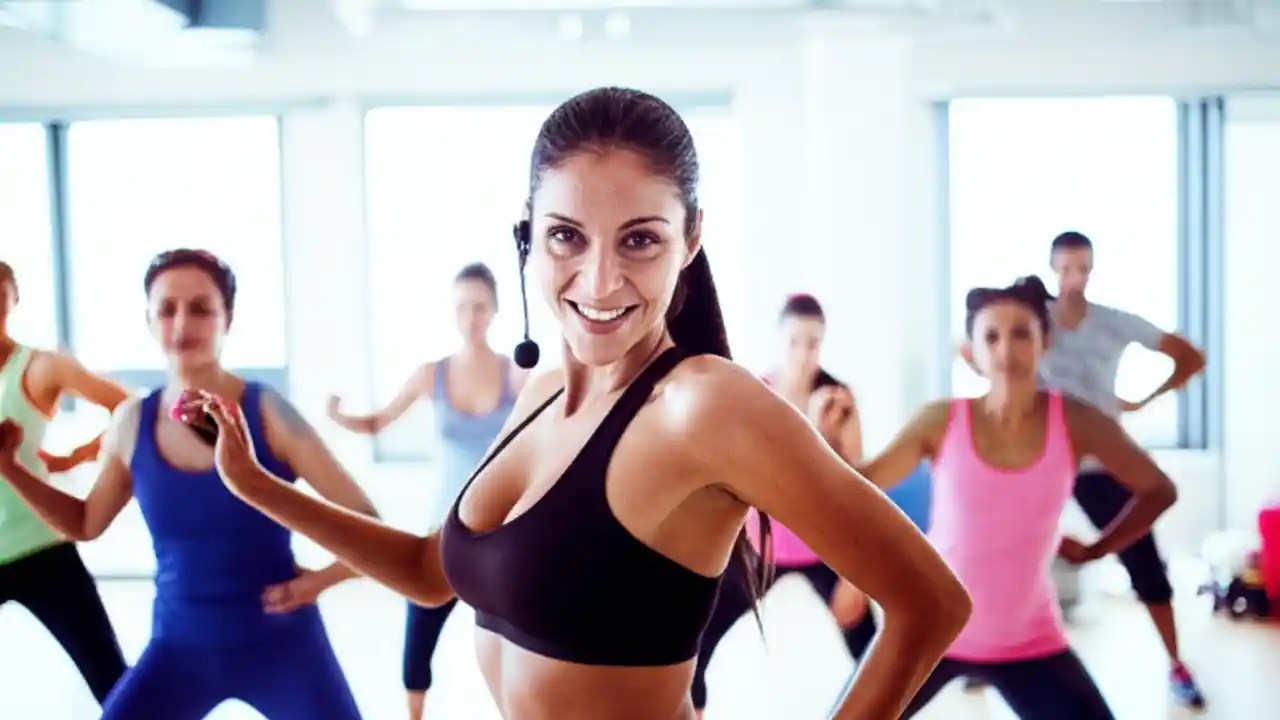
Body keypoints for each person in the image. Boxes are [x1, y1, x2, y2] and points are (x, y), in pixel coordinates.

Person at [194, 87, 971, 720]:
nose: (599, 282)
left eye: (639, 241)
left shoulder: (702, 406)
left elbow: (930, 603)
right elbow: (431, 572)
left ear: (691, 238)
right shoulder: (537, 391)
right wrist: (257, 486)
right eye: (566, 236)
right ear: (528, 235)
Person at [0, 249, 374, 719]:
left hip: (283, 646)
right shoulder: (133, 421)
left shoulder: (268, 413)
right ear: (149, 321)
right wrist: (11, 468)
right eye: (167, 309)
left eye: (201, 308)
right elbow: (84, 523)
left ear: (228, 319)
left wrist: (317, 582)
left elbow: (368, 521)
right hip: (179, 648)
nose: (182, 324)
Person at [835, 275, 1177, 719]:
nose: (1005, 350)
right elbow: (861, 483)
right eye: (991, 337)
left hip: (1029, 640)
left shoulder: (1077, 421)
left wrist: (1098, 549)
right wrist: (836, 437)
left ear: (1045, 340)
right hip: (929, 630)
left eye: (1021, 334)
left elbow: (1158, 490)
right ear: (970, 351)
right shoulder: (939, 420)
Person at [328, 261, 526, 720]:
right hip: (446, 530)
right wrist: (340, 417)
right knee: (419, 634)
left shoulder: (516, 376)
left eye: (479, 307)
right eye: (462, 308)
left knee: (517, 644)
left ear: (494, 311)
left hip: (503, 533)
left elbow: (556, 422)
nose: (471, 318)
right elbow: (379, 421)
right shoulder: (430, 374)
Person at [1042, 230, 1207, 708]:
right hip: (1046, 459)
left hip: (1100, 464)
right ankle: (980, 658)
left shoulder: (1112, 323)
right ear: (1053, 268)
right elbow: (973, 345)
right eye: (1066, 268)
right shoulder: (1035, 320)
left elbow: (1191, 357)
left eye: (1083, 268)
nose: (1074, 278)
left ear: (1092, 270)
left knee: (1145, 563)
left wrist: (1141, 401)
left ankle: (1177, 665)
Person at [690, 293, 876, 717]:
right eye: (794, 342)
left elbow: (860, 493)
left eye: (813, 343)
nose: (804, 354)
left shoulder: (838, 402)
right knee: (696, 642)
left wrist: (857, 580)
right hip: (761, 547)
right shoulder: (754, 394)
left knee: (874, 648)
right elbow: (735, 480)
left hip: (823, 547)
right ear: (779, 342)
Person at [0, 260, 129, 707]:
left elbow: (127, 405)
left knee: (111, 682)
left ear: (13, 301)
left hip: (40, 548)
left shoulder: (39, 368)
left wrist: (78, 455)